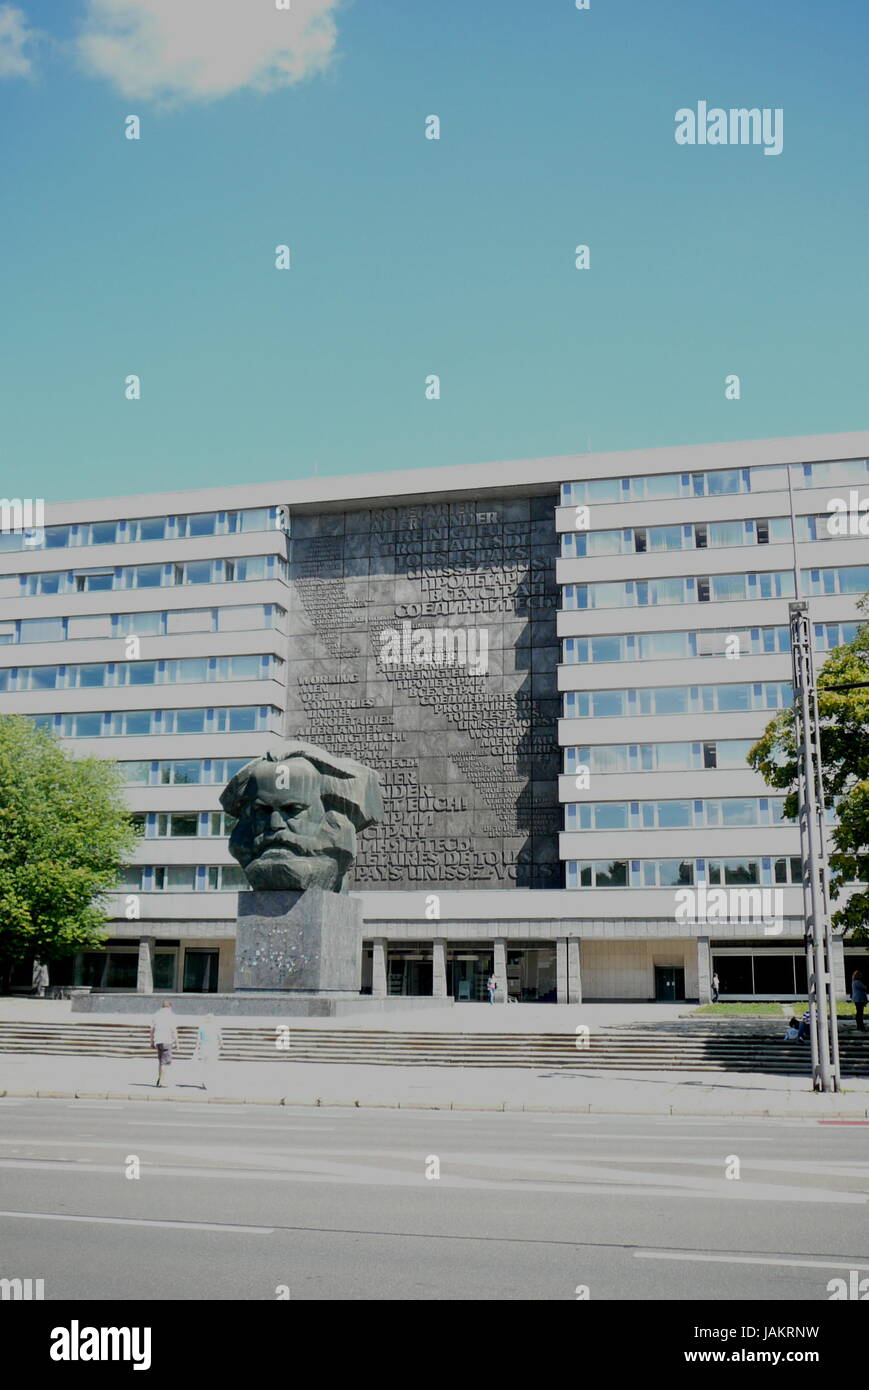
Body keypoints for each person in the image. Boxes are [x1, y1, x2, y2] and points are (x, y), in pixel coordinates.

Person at [150, 1001, 178, 1087]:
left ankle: (160, 1079)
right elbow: (173, 1030)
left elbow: (152, 1029)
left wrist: (151, 1041)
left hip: (158, 1041)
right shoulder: (171, 1016)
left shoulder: (156, 1015)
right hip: (167, 1040)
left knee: (161, 1061)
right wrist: (177, 1042)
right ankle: (162, 1082)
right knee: (165, 1063)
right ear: (170, 1007)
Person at [192, 1013, 221, 1091]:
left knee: (205, 1066)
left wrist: (196, 1048)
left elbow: (198, 1039)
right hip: (213, 1049)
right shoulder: (216, 1027)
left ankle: (205, 1082)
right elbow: (220, 1038)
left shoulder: (202, 1027)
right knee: (211, 1066)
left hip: (204, 1048)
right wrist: (221, 1045)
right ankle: (210, 1082)